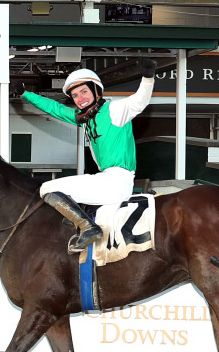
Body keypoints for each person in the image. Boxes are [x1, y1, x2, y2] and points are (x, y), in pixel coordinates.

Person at [11, 59, 158, 252]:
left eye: (84, 92)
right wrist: (24, 94)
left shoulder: (114, 110)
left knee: (47, 188)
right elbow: (55, 109)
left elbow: (140, 101)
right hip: (106, 180)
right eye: (75, 96)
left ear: (96, 91)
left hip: (116, 182)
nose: (80, 99)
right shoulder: (84, 119)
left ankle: (88, 228)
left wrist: (148, 78)